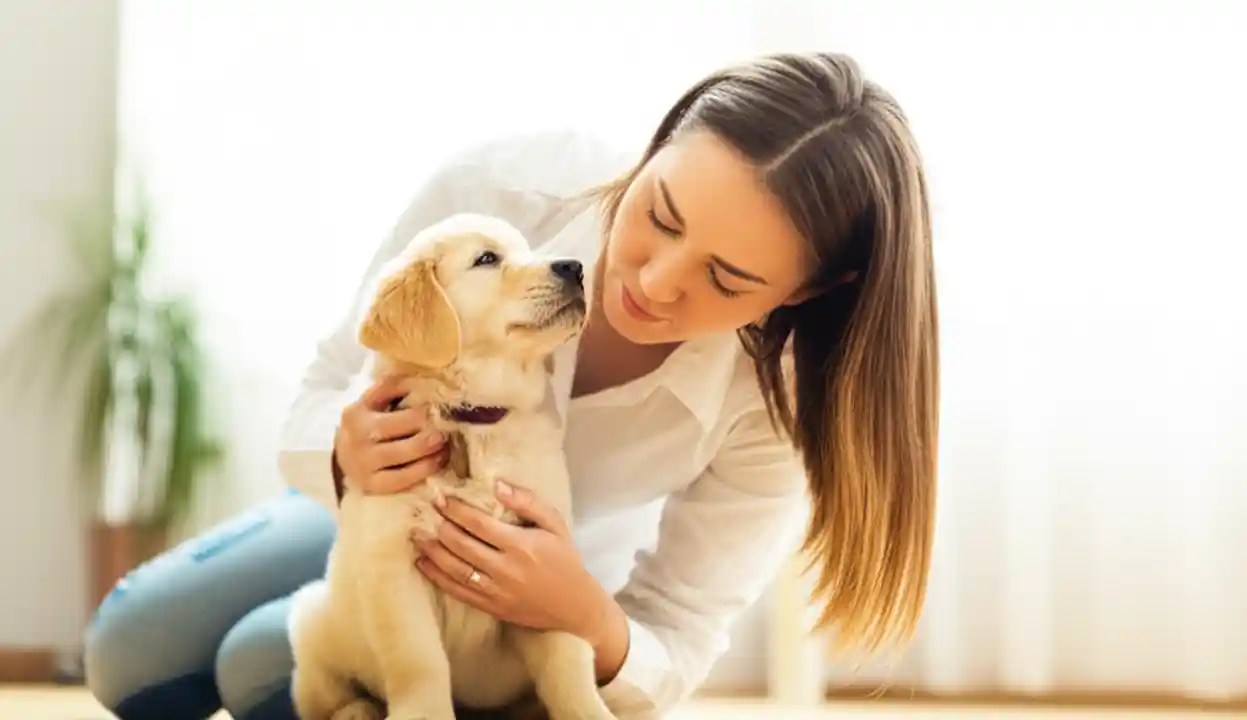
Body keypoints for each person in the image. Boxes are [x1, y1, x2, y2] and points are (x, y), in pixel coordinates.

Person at [83, 51, 939, 719]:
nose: (655, 282)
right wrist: (348, 453)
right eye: (659, 215)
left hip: (548, 580)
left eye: (725, 279)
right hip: (371, 508)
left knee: (263, 667)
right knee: (130, 651)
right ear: (659, 142)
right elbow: (324, 388)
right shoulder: (504, 191)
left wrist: (583, 616)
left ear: (804, 291)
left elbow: (679, 631)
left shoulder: (775, 404)